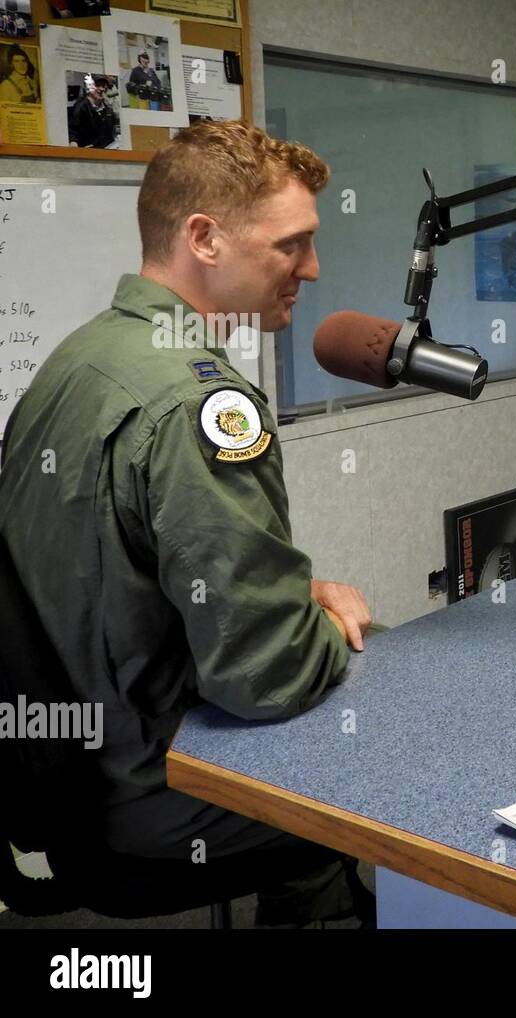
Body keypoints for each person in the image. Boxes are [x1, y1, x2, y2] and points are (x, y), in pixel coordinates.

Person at [0, 121, 376, 926]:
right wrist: (324, 618)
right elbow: (267, 676)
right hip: (149, 795)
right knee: (394, 762)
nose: (311, 269)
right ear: (203, 238)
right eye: (292, 245)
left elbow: (118, 567)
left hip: (59, 772)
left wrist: (284, 593)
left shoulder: (78, 362)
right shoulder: (202, 404)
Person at [68, 74, 117, 148]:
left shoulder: (108, 109)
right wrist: (73, 143)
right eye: (97, 85)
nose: (101, 89)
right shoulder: (80, 107)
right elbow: (72, 130)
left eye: (103, 86)